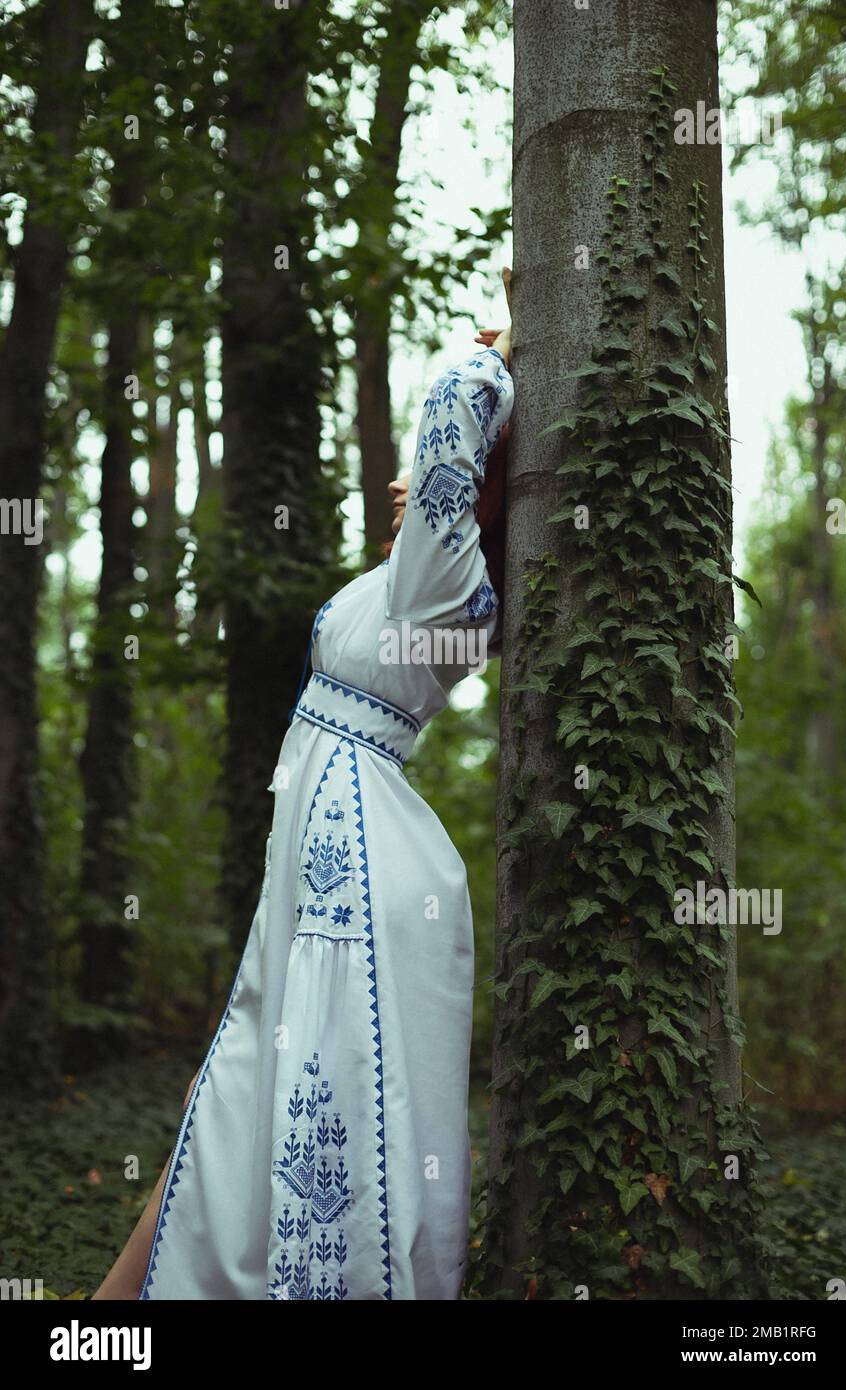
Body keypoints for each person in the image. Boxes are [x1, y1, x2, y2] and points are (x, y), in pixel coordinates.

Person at [93, 271, 514, 1302]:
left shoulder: (447, 585)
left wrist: (505, 345)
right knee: (233, 1085)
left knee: (312, 1097)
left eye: (425, 487)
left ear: (474, 499)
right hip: (320, 842)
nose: (399, 488)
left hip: (360, 855)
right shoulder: (405, 579)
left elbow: (451, 414)